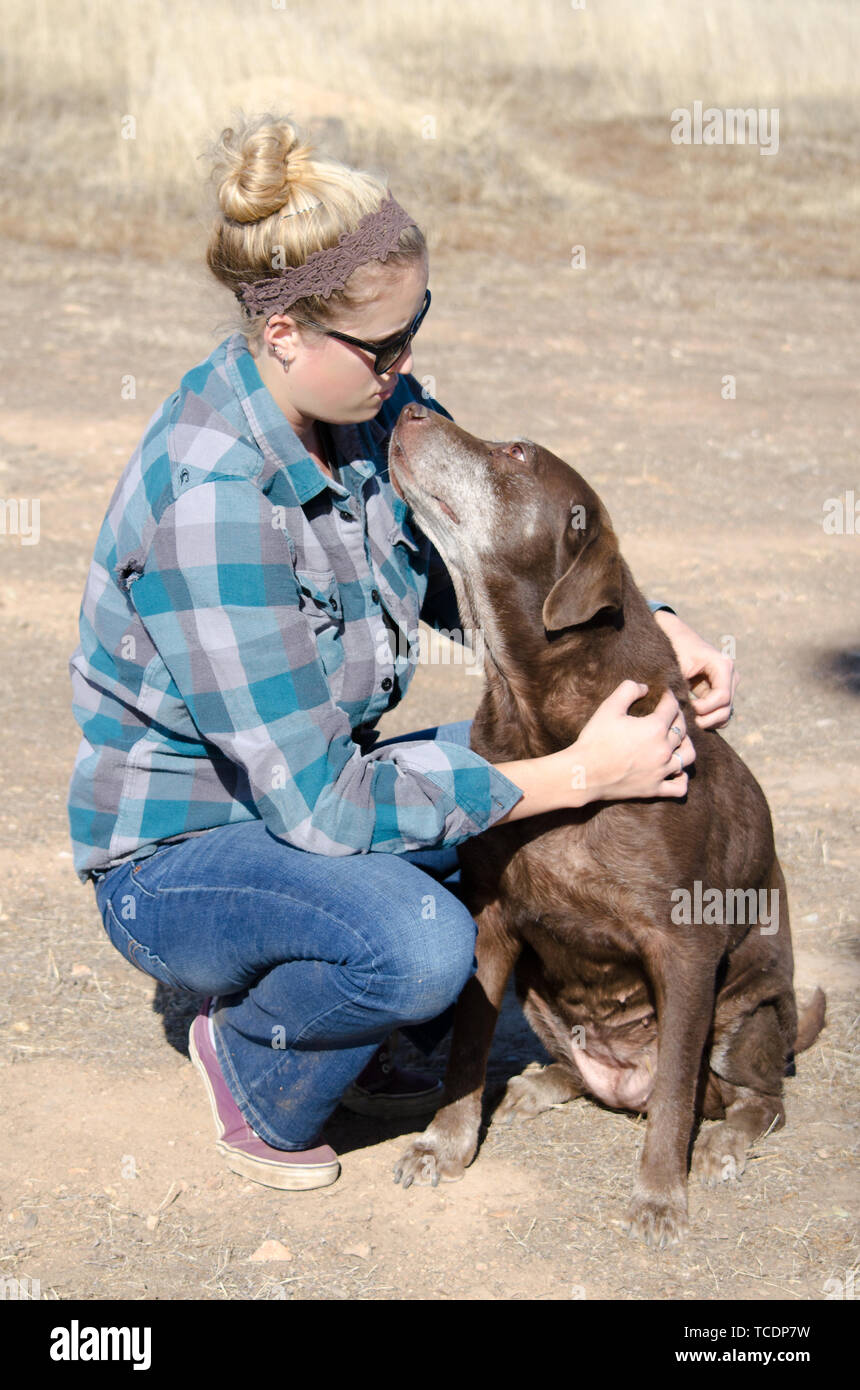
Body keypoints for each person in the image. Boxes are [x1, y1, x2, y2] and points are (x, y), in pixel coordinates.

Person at [67, 114, 737, 1193]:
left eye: (414, 326)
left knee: (542, 802)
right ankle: (250, 1055)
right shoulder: (216, 503)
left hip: (304, 795)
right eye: (383, 346)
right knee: (423, 943)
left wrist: (652, 635)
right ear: (282, 331)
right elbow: (328, 812)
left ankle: (321, 977)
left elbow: (473, 579)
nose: (406, 365)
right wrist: (570, 774)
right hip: (184, 857)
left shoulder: (366, 407)